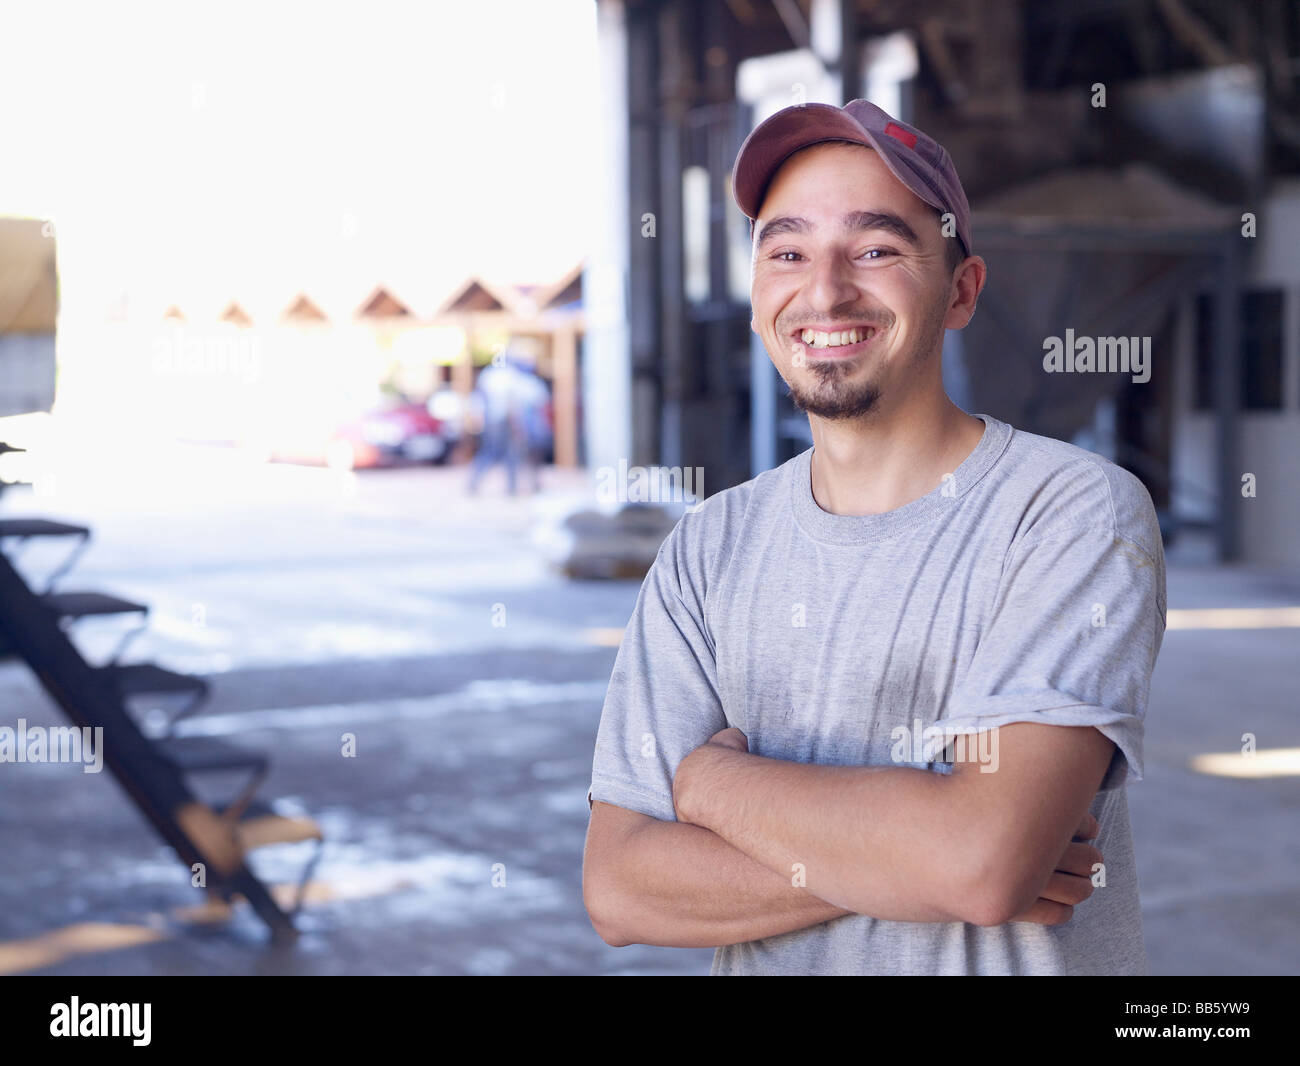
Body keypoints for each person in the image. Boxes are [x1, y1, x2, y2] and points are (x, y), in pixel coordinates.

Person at [582, 100, 1166, 975]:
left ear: (961, 289)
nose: (824, 291)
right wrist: (933, 854)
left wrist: (710, 785)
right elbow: (621, 889)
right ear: (755, 299)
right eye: (787, 252)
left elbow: (982, 863)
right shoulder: (707, 548)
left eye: (876, 250)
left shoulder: (1071, 512)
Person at [466, 343, 549, 495]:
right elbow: (512, 403)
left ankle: (484, 485)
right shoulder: (510, 376)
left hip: (493, 421)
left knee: (497, 452)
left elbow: (479, 398)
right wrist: (518, 426)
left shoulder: (490, 374)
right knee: (505, 453)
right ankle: (510, 488)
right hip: (505, 421)